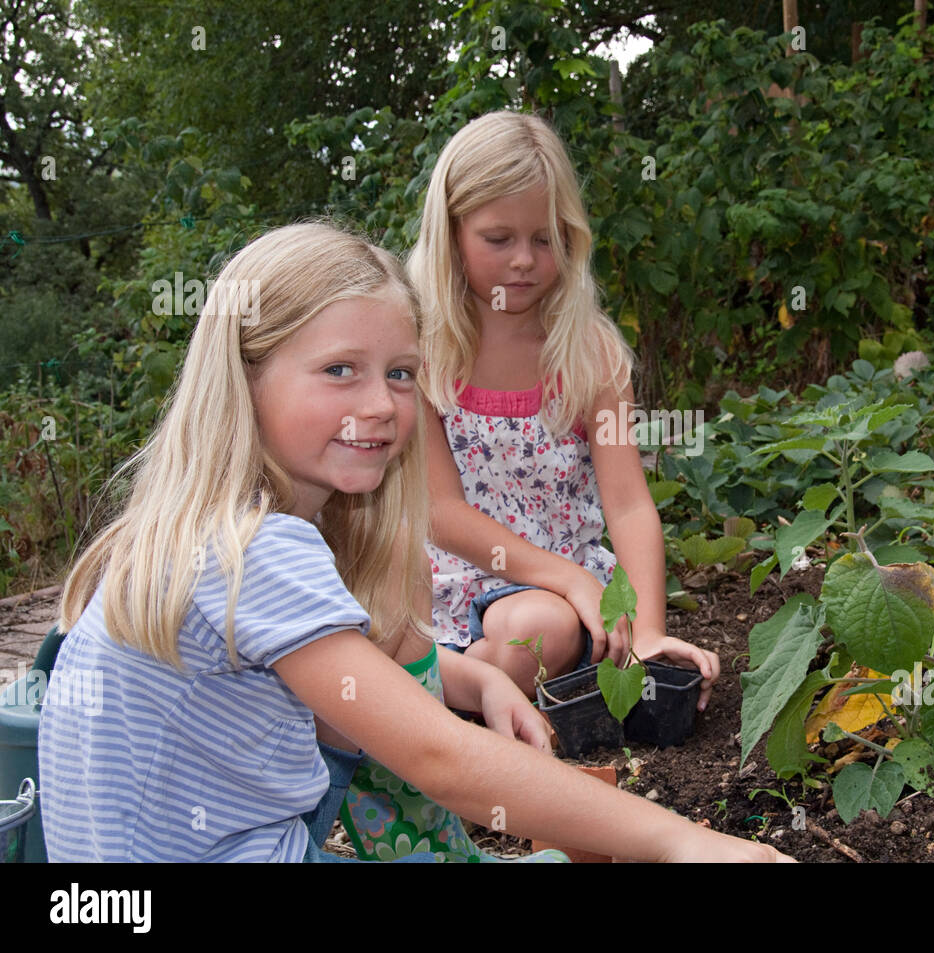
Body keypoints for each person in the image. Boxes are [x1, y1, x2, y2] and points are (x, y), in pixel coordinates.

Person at [37, 222, 789, 863]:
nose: (380, 403)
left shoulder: (196, 529)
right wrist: (684, 843)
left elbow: (360, 678)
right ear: (246, 375)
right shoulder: (257, 547)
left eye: (400, 373)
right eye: (339, 370)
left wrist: (480, 679)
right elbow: (441, 757)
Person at [410, 111, 717, 702]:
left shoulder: (587, 353)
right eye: (499, 239)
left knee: (538, 631)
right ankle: (460, 687)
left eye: (545, 238)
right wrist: (569, 578)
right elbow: (438, 511)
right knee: (529, 634)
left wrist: (648, 630)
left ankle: (447, 690)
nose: (524, 259)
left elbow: (627, 505)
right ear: (450, 234)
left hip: (552, 598)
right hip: (447, 578)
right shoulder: (422, 351)